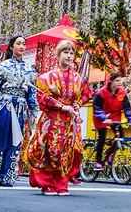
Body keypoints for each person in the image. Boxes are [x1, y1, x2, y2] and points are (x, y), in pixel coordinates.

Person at [25, 40, 93, 196]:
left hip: (69, 121)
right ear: (58, 55)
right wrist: (61, 106)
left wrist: (77, 104)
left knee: (66, 149)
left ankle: (62, 182)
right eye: (66, 52)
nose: (69, 56)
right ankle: (47, 182)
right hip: (52, 119)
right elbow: (42, 98)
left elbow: (86, 93)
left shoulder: (78, 78)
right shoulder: (47, 78)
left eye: (71, 53)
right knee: (49, 149)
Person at [0, 35, 38, 186]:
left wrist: (34, 111)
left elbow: (32, 94)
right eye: (18, 44)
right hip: (4, 106)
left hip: (20, 108)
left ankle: (7, 176)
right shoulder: (2, 67)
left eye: (23, 44)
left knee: (15, 140)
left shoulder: (29, 70)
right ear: (11, 47)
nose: (21, 47)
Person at [92, 72, 131, 170]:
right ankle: (98, 162)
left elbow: (127, 108)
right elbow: (97, 107)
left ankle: (109, 153)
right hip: (102, 117)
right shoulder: (102, 93)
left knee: (120, 136)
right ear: (111, 81)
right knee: (102, 138)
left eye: (120, 80)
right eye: (117, 81)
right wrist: (104, 118)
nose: (119, 83)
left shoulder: (122, 92)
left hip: (115, 116)